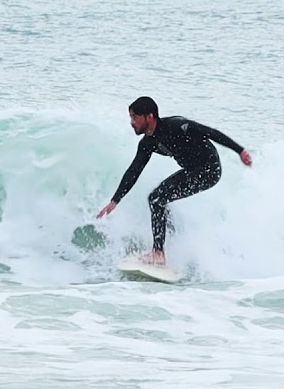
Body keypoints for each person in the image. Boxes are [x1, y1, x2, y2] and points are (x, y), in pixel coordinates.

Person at [96, 96, 252, 264]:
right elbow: (134, 170)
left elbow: (210, 132)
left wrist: (240, 151)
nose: (131, 122)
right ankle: (171, 238)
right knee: (158, 199)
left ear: (149, 116)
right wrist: (115, 200)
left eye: (135, 117)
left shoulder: (178, 126)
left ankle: (158, 253)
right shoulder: (148, 143)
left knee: (157, 198)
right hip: (191, 170)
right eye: (131, 117)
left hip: (209, 169)